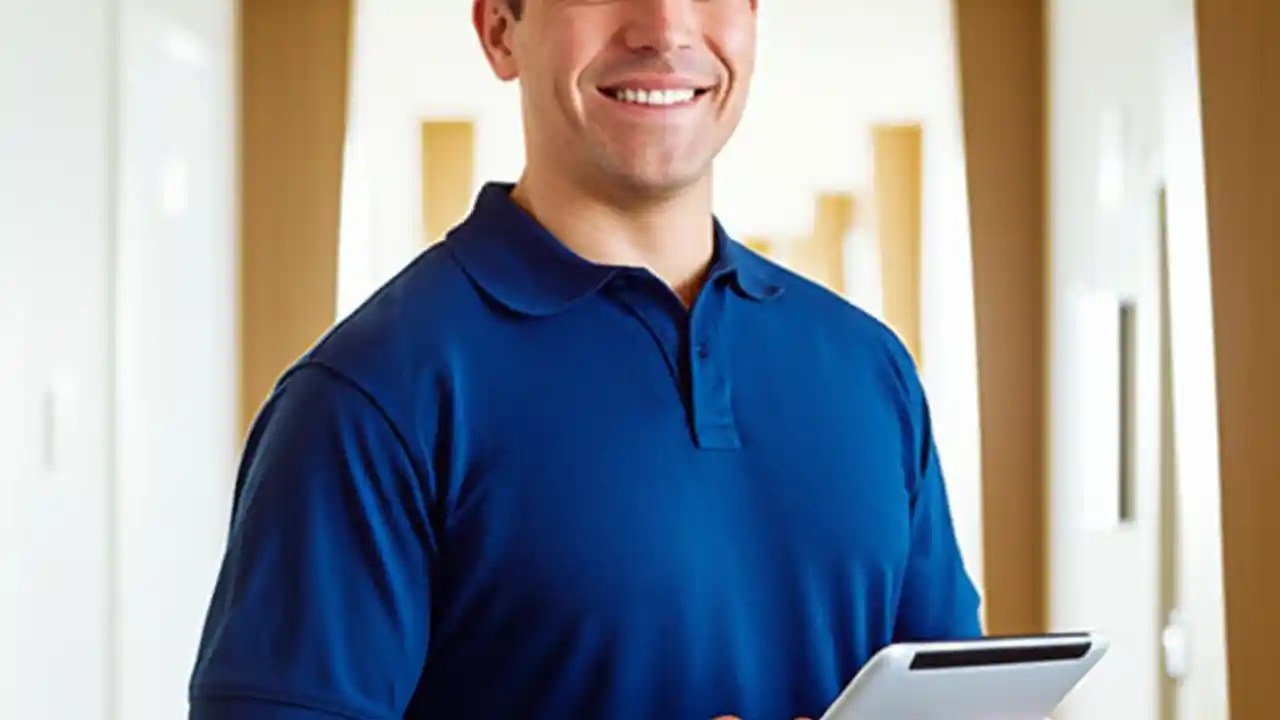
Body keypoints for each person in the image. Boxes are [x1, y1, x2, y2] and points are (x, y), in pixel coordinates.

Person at [187, 0, 983, 717]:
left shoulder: (869, 370)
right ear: (501, 29)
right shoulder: (372, 398)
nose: (665, 27)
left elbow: (956, 695)